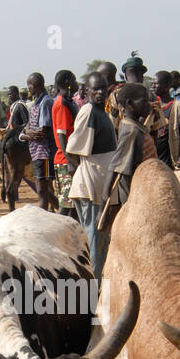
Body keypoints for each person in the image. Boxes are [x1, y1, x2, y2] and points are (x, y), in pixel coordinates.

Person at [65, 73, 118, 277]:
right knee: (94, 240)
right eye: (95, 89)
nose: (100, 92)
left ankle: (98, 287)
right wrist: (87, 171)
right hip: (91, 186)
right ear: (86, 91)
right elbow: (73, 149)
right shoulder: (88, 112)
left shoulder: (100, 111)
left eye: (103, 88)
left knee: (101, 239)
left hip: (100, 184)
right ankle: (92, 291)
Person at [99, 82, 152, 233]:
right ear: (129, 104)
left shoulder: (131, 124)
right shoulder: (132, 132)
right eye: (144, 101)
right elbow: (116, 165)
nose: (148, 104)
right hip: (134, 191)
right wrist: (104, 203)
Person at [19, 72, 58, 211]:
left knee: (43, 188)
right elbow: (29, 127)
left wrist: (25, 134)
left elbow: (42, 131)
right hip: (37, 153)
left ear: (34, 86)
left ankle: (45, 215)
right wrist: (26, 133)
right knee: (42, 188)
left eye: (29, 86)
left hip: (44, 153)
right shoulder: (37, 102)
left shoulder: (46, 101)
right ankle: (56, 212)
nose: (28, 89)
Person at [51, 70, 78, 212]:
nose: (76, 83)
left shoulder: (68, 101)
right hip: (65, 160)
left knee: (72, 204)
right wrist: (70, 161)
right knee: (66, 205)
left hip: (69, 158)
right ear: (68, 83)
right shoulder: (62, 104)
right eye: (74, 80)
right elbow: (61, 135)